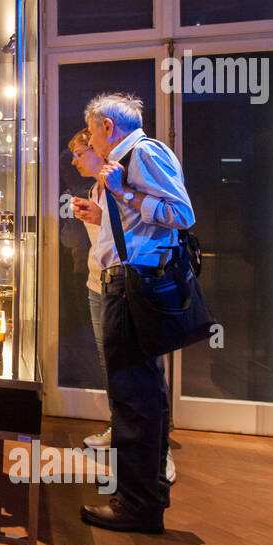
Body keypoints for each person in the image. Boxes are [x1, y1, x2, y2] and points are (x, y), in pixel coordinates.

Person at [79, 94, 194, 533]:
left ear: (108, 127)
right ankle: (141, 497)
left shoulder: (143, 152)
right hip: (125, 283)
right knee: (139, 393)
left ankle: (138, 504)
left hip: (133, 286)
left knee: (134, 397)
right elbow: (139, 219)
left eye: (92, 131)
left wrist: (123, 192)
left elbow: (181, 213)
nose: (90, 141)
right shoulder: (130, 156)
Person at [70, 128, 175, 484]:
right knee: (113, 367)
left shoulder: (125, 182)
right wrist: (97, 217)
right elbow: (108, 240)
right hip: (99, 283)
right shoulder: (96, 189)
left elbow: (160, 225)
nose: (75, 159)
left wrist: (109, 210)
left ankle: (158, 455)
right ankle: (123, 433)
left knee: (142, 371)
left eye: (80, 151)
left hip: (129, 286)